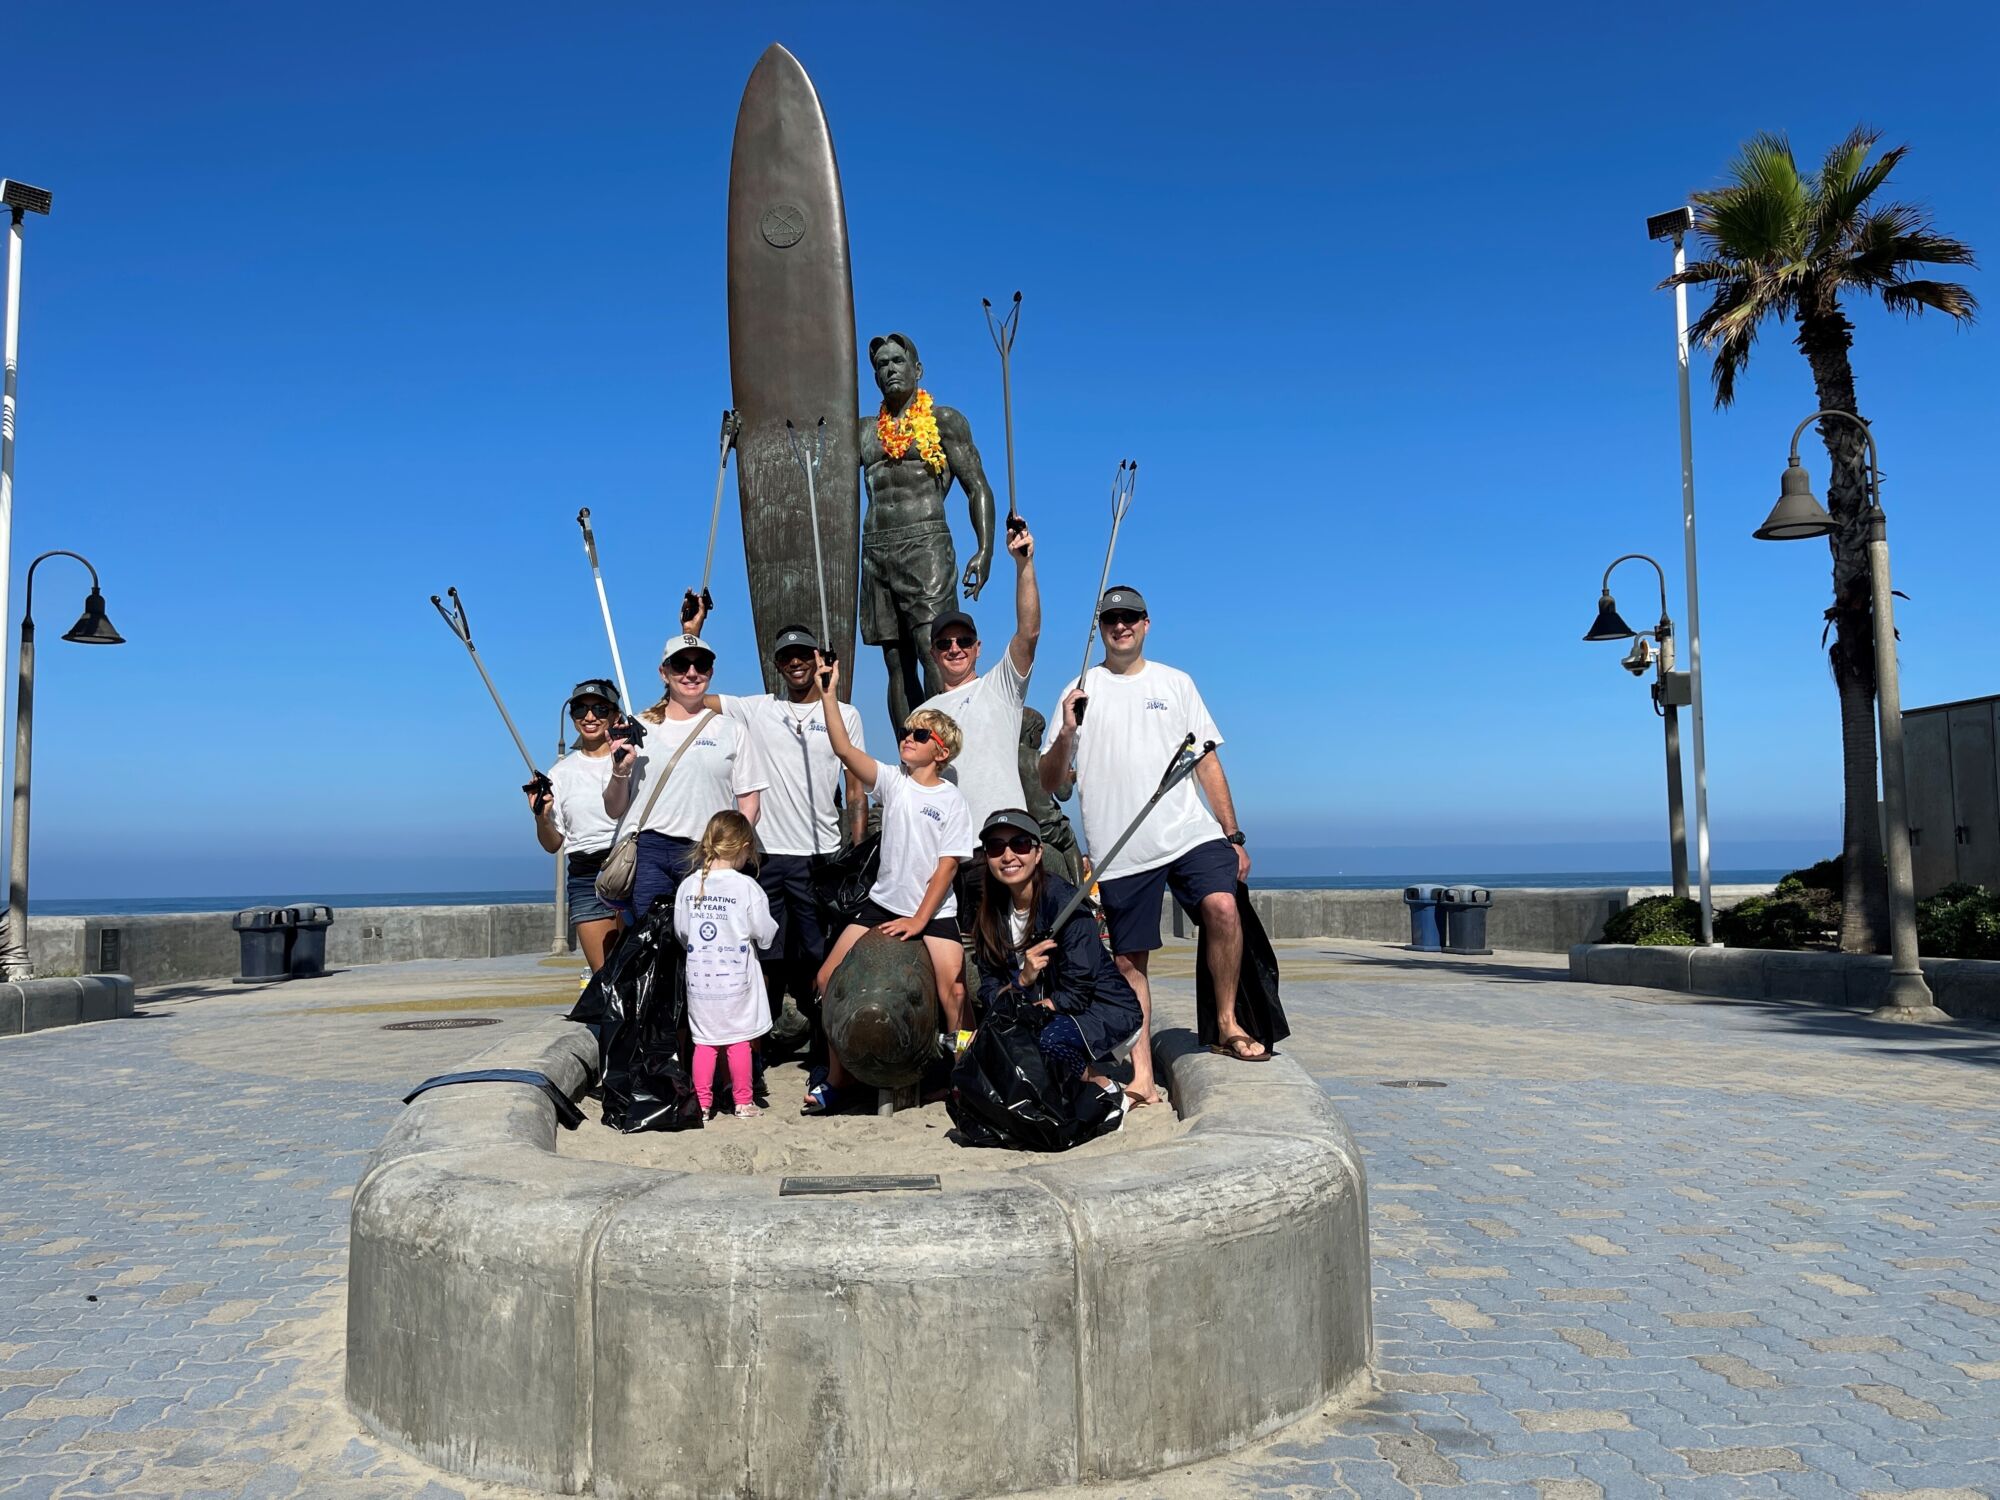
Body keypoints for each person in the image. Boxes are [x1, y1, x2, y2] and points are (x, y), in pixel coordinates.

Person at [1037, 585, 1260, 1106]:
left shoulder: (1176, 682)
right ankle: (1141, 1074)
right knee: (1130, 963)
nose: (1122, 626)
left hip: (1187, 831)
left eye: (1131, 618)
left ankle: (1227, 1022)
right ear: (1100, 627)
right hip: (1122, 848)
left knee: (1223, 908)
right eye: (1112, 618)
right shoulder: (1079, 689)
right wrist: (1068, 730)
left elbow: (1206, 761)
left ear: (1146, 624)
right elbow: (1051, 782)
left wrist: (1232, 835)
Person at [807, 656, 973, 1114]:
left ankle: (962, 1073)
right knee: (825, 978)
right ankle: (835, 1079)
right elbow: (843, 749)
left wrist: (920, 920)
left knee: (955, 994)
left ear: (941, 751)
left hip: (934, 914)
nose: (907, 737)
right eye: (906, 730)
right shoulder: (894, 784)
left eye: (920, 734)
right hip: (880, 906)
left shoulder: (952, 800)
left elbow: (947, 869)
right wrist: (829, 693)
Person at [696, 623, 867, 1022]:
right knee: (763, 957)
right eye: (786, 656)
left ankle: (822, 1051)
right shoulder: (758, 709)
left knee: (818, 956)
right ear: (775, 664)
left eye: (804, 654)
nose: (795, 662)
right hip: (766, 855)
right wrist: (694, 631)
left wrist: (856, 855)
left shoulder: (846, 714)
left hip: (819, 855)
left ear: (819, 658)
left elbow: (856, 790)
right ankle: (759, 1045)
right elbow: (692, 696)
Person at [856, 331, 999, 727]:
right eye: (881, 366)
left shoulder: (943, 422)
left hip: (926, 545)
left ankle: (948, 748)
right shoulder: (863, 432)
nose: (889, 370)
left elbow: (977, 487)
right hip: (877, 552)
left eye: (897, 362)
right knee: (896, 661)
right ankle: (911, 751)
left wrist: (985, 550)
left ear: (917, 369)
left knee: (931, 647)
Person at [915, 518, 1039, 915]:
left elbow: (1028, 633)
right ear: (933, 653)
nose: (955, 649)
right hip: (945, 857)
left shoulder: (1000, 686)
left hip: (1003, 850)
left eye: (964, 641)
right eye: (944, 643)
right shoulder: (920, 714)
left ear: (978, 648)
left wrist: (1023, 565)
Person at [971, 809, 1142, 1095]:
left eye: (1020, 844)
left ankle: (1103, 1087)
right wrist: (1022, 982)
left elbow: (1076, 992)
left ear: (1038, 853)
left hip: (1105, 1010)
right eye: (996, 847)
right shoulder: (990, 915)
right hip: (1042, 1007)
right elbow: (990, 992)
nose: (1008, 855)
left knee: (1044, 1040)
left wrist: (1024, 1019)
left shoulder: (1065, 905)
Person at [604, 631, 767, 919]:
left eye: (700, 665)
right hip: (648, 850)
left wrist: (727, 856)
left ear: (711, 672)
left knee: (703, 942)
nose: (691, 673)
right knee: (650, 941)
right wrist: (619, 772)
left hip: (706, 850)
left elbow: (749, 805)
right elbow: (614, 809)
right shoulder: (639, 727)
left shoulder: (733, 731)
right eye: (680, 665)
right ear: (664, 673)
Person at [674, 811, 778, 1121]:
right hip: (736, 981)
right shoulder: (747, 888)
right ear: (745, 846)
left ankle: (703, 1103)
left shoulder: (688, 886)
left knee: (704, 1042)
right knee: (739, 1040)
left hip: (701, 980)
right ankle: (743, 1101)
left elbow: (681, 930)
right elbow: (764, 932)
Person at [528, 678, 629, 973]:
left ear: (615, 716)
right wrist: (541, 816)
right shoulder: (559, 773)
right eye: (580, 710)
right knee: (606, 978)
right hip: (586, 874)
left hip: (631, 864)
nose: (589, 717)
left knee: (642, 967)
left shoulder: (634, 759)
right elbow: (552, 844)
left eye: (600, 708)